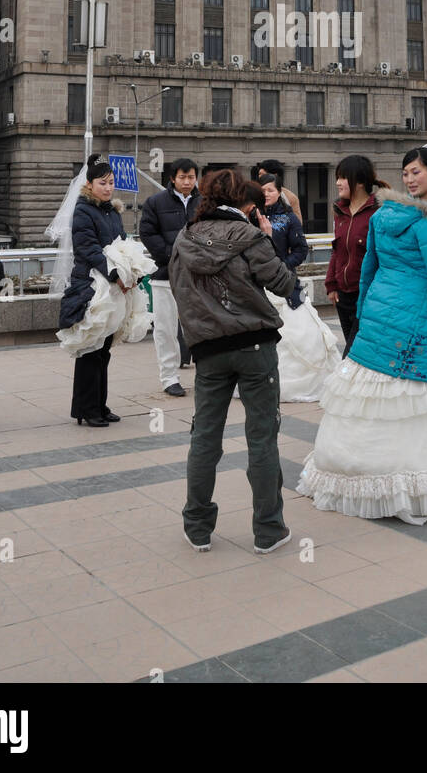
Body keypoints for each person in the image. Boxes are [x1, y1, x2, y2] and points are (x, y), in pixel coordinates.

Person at [297, 145, 427, 524]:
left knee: (373, 395)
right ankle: (425, 481)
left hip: (382, 317)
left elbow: (369, 270)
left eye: (417, 172)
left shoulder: (385, 215)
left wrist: (364, 311)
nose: (411, 179)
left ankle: (359, 476)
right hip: (420, 321)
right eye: (407, 173)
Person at [169, 169, 297, 555]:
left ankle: (198, 526)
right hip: (255, 347)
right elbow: (284, 283)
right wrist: (269, 240)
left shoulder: (184, 238)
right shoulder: (249, 235)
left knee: (205, 436)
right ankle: (268, 529)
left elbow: (178, 290)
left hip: (208, 349)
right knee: (262, 437)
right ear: (246, 203)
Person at [57, 155, 131, 427]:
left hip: (110, 286)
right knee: (91, 347)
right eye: (103, 183)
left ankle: (99, 403)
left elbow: (121, 244)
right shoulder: (83, 211)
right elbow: (87, 249)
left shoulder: (111, 210)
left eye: (111, 183)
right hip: (89, 285)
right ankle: (87, 409)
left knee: (105, 348)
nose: (108, 188)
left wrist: (129, 269)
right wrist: (114, 273)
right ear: (89, 184)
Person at [259, 173, 339, 401]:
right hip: (257, 284)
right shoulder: (251, 217)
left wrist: (282, 266)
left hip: (284, 283)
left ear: (279, 192)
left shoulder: (289, 218)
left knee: (300, 335)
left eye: (270, 190)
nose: (266, 194)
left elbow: (301, 250)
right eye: (262, 190)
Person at [139, 158, 199, 398]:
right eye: (182, 177)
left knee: (198, 327)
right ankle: (170, 377)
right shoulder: (155, 202)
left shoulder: (204, 203)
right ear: (172, 178)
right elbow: (147, 232)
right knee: (165, 328)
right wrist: (170, 255)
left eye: (191, 177)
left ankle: (204, 375)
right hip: (166, 275)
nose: (187, 182)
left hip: (196, 277)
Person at [325, 155, 388, 354]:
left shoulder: (378, 213)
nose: (337, 182)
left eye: (343, 177)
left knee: (354, 354)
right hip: (343, 297)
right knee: (356, 354)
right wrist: (331, 284)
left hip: (368, 296)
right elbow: (337, 251)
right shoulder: (340, 211)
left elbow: (384, 257)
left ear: (359, 182)